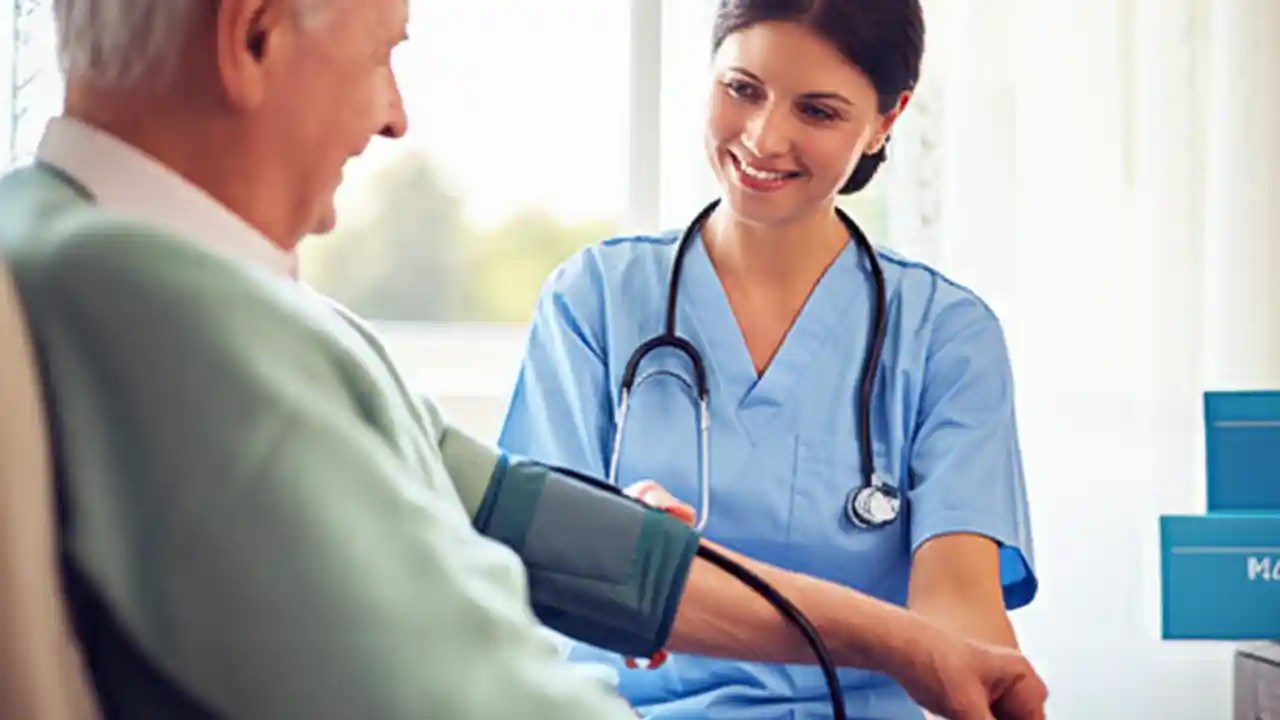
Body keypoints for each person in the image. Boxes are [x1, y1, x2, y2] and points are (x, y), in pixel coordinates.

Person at [0, 0, 1045, 718]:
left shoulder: (139, 262)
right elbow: (440, 688)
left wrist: (910, 645)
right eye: (382, 49)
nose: (393, 112)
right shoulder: (184, 317)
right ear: (253, 37)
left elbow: (528, 521)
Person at [499, 0, 1040, 717]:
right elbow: (544, 572)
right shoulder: (594, 301)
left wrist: (981, 678)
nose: (763, 137)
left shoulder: (946, 334)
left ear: (886, 119)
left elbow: (957, 604)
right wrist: (613, 551)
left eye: (817, 112)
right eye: (742, 89)